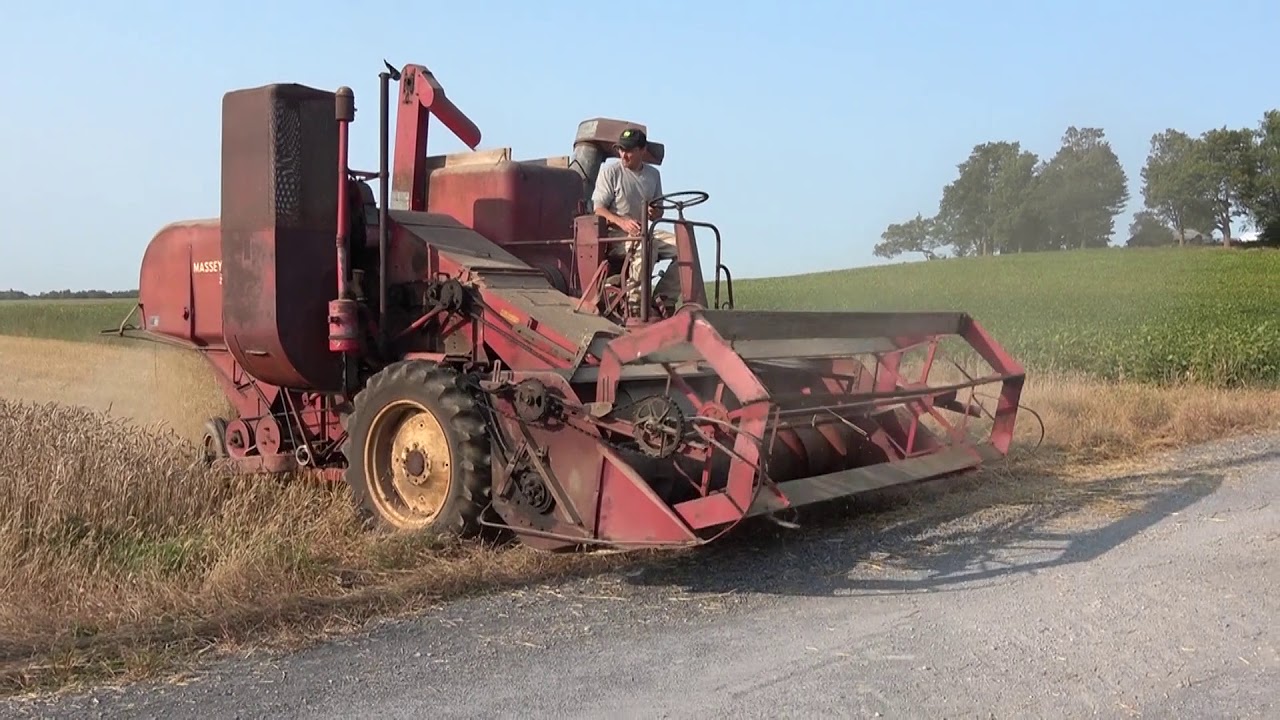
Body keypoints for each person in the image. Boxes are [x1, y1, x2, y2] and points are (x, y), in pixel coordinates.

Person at [591, 127, 680, 310]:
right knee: (647, 245)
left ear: (642, 150)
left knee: (684, 247)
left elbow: (659, 211)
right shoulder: (611, 172)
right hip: (616, 235)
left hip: (644, 231)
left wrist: (655, 213)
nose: (623, 155)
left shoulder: (653, 175)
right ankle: (635, 304)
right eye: (621, 150)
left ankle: (664, 298)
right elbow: (598, 209)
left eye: (629, 150)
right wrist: (622, 222)